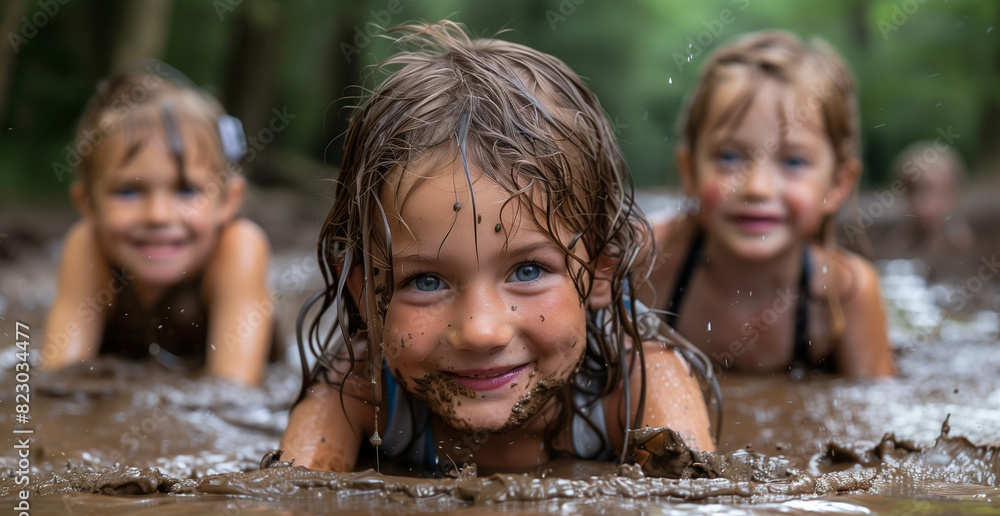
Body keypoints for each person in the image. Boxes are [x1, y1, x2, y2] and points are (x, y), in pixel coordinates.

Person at [280, 21, 717, 475]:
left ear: (601, 270)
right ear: (365, 295)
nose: (481, 332)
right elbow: (281, 515)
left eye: (527, 271)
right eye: (425, 282)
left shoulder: (639, 384)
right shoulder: (359, 393)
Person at [638, 30, 894, 379]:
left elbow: (877, 409)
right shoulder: (645, 262)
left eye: (793, 162)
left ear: (837, 184)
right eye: (728, 157)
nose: (756, 188)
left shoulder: (845, 293)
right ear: (690, 172)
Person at [41, 62, 274, 386]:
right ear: (88, 205)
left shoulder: (238, 248)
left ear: (229, 200)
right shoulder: (87, 246)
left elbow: (233, 393)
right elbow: (57, 379)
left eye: (187, 190)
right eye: (128, 191)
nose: (158, 215)